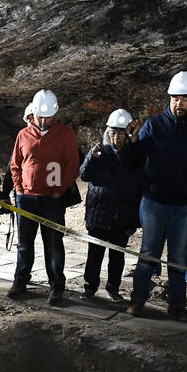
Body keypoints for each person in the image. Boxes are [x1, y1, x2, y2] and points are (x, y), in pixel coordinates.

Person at [124, 71, 187, 321]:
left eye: (184, 98)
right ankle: (138, 300)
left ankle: (177, 306)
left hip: (183, 204)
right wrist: (133, 142)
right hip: (154, 202)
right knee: (148, 253)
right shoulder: (154, 125)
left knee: (178, 257)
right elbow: (134, 161)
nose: (178, 103)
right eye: (174, 98)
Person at [7, 89, 81, 306]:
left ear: (56, 114)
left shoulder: (66, 134)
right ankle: (20, 281)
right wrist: (20, 189)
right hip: (27, 199)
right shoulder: (24, 134)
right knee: (24, 245)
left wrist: (61, 189)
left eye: (48, 116)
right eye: (40, 116)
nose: (43, 120)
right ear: (33, 113)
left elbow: (71, 165)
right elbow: (15, 165)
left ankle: (56, 287)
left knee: (54, 244)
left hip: (53, 200)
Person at [79, 109, 144, 302]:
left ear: (128, 133)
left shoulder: (133, 155)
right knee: (95, 254)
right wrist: (92, 157)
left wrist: (133, 220)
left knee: (117, 256)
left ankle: (113, 289)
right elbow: (84, 175)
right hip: (100, 214)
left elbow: (137, 177)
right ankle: (90, 288)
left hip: (122, 216)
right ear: (108, 132)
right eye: (113, 132)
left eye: (121, 133)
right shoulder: (100, 152)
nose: (116, 137)